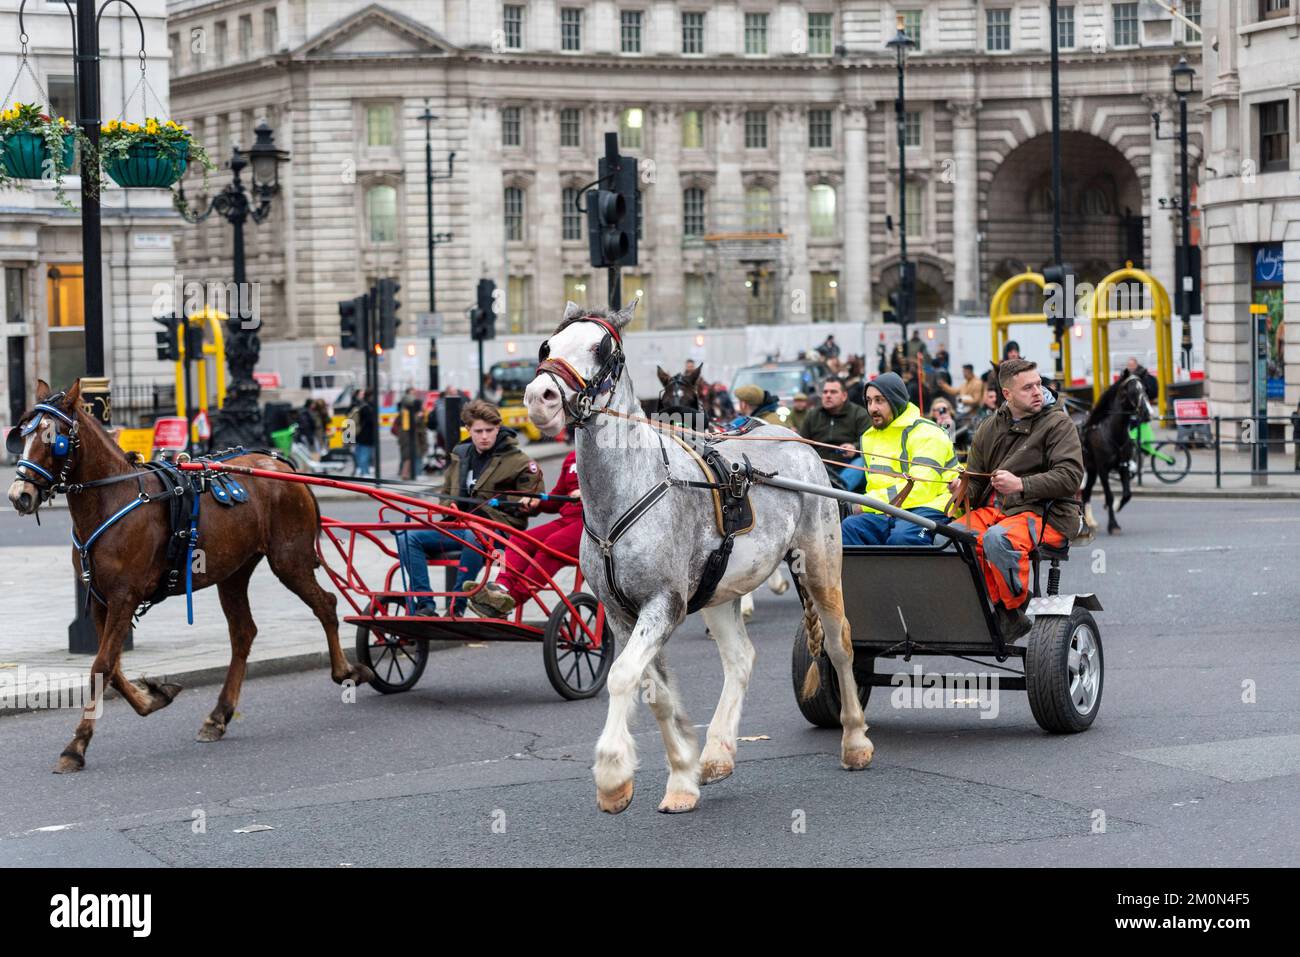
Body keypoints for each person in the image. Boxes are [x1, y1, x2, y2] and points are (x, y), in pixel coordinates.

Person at [949, 358, 1084, 640]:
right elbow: (975, 480)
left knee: (997, 539)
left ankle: (1013, 611)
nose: (1037, 391)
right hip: (997, 511)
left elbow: (1071, 477)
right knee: (948, 540)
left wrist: (1021, 484)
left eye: (1038, 384)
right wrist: (961, 488)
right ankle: (989, 608)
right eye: (1027, 388)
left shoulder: (1059, 424)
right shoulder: (989, 427)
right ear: (1007, 394)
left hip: (1046, 513)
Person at [396, 400, 544, 616]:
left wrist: (525, 503)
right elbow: (446, 494)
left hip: (500, 532)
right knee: (407, 537)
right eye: (478, 431)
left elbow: (534, 497)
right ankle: (425, 604)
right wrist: (449, 507)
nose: (484, 436)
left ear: (498, 428)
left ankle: (457, 606)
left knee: (473, 535)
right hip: (460, 527)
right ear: (468, 430)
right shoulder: (460, 456)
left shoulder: (520, 461)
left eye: (489, 430)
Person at [841, 373, 958, 546]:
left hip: (931, 507)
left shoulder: (928, 433)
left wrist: (864, 505)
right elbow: (875, 485)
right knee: (848, 528)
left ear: (896, 401)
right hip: (888, 510)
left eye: (879, 400)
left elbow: (921, 488)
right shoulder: (868, 437)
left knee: (902, 539)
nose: (872, 408)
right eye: (869, 401)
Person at [471, 451, 582, 618]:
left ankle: (511, 600)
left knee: (552, 545)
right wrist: (537, 501)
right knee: (518, 539)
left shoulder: (611, 454)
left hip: (593, 525)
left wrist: (590, 493)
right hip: (568, 520)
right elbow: (558, 497)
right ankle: (501, 589)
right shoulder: (571, 457)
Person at [799, 376, 873, 492]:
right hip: (820, 466)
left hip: (848, 466)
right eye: (825, 392)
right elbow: (801, 443)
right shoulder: (812, 415)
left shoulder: (859, 414)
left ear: (844, 396)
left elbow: (870, 441)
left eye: (833, 392)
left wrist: (855, 447)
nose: (828, 395)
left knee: (861, 462)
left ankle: (837, 492)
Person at [395, 388, 428, 480]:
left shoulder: (405, 410)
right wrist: (418, 416)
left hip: (411, 436)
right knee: (411, 455)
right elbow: (412, 423)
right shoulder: (406, 412)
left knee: (409, 455)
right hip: (409, 437)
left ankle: (408, 473)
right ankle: (414, 474)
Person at [350, 388, 377, 478]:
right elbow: (370, 421)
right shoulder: (365, 407)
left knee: (363, 454)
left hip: (362, 435)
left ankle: (364, 471)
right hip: (365, 435)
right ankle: (364, 472)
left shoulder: (363, 405)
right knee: (364, 454)